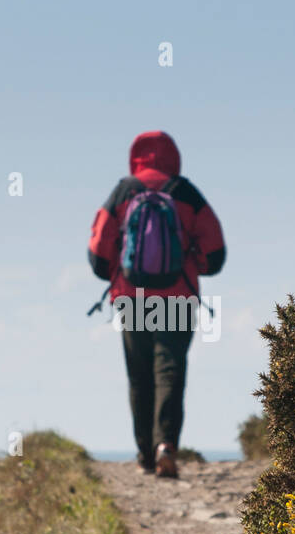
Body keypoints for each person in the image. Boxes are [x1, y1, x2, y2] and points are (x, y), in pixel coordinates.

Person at [87, 131, 225, 478]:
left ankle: (146, 454)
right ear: (173, 157)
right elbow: (216, 253)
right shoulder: (184, 192)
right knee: (170, 371)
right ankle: (166, 444)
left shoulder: (124, 190)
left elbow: (99, 250)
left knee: (139, 375)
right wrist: (193, 265)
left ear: (136, 156)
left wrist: (115, 273)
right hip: (177, 297)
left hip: (131, 298)